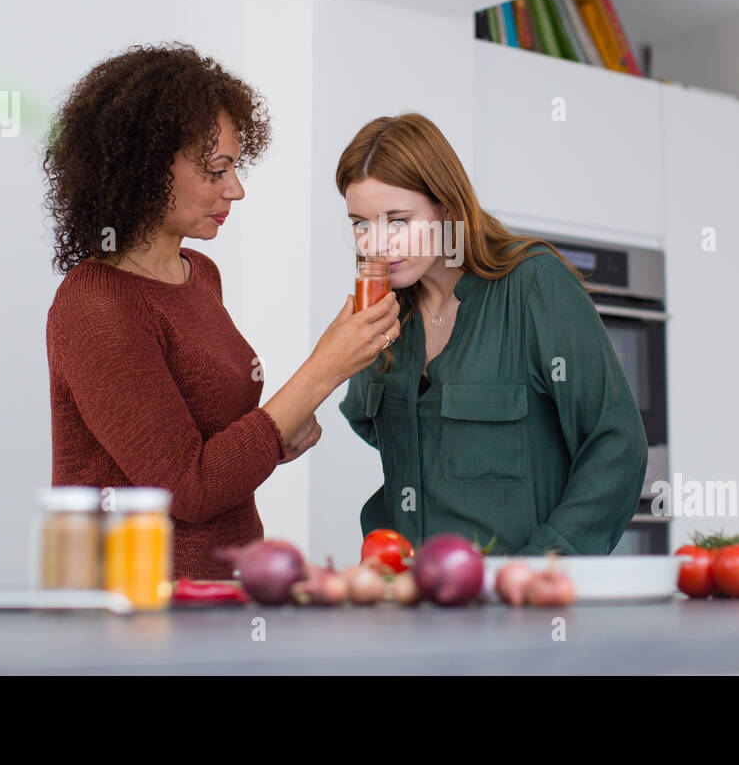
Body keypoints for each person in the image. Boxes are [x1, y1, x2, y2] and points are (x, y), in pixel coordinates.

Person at [42, 43, 399, 580]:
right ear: (144, 168)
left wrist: (275, 440)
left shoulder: (200, 274)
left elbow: (202, 447)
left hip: (221, 590)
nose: (236, 189)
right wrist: (326, 367)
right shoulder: (96, 305)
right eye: (216, 170)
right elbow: (188, 488)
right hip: (130, 610)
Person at [336, 113, 648, 555]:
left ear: (444, 207)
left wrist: (541, 568)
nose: (376, 244)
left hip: (521, 607)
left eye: (398, 220)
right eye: (360, 223)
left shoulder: (534, 285)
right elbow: (381, 427)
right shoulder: (385, 314)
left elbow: (617, 445)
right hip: (407, 596)